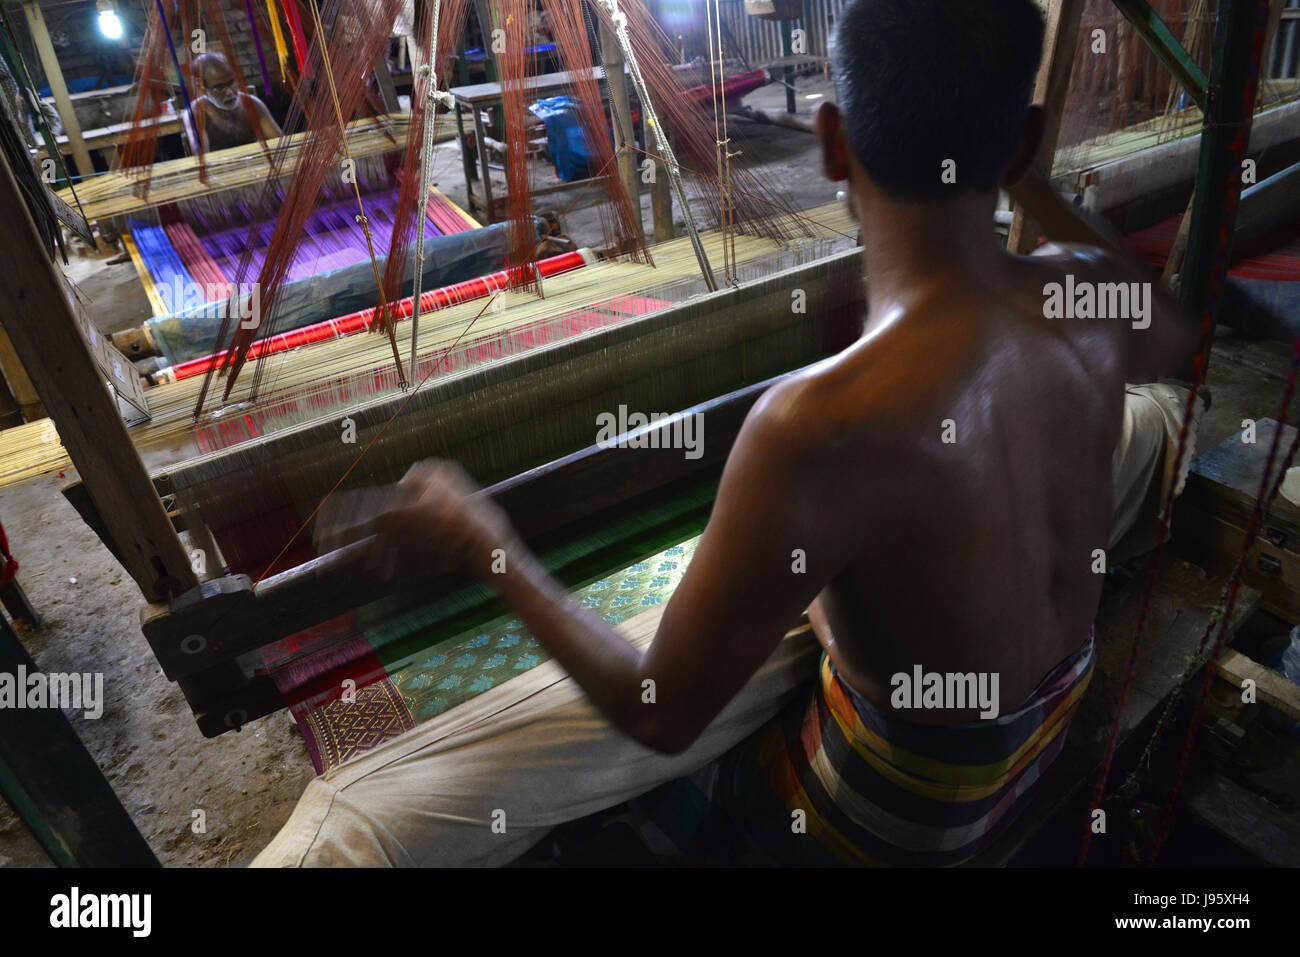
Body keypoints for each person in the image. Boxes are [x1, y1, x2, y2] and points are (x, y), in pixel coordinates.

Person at [255, 0, 1202, 867]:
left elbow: (660, 714)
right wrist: (1027, 184)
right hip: (1050, 722)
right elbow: (1176, 337)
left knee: (611, 831)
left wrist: (483, 540)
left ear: (832, 142)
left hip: (912, 814)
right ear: (1024, 141)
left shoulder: (815, 423)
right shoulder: (1086, 294)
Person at [183, 52, 281, 153]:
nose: (230, 92)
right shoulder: (196, 113)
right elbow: (202, 157)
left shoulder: (252, 104)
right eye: (219, 88)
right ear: (201, 86)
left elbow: (280, 143)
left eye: (231, 83)